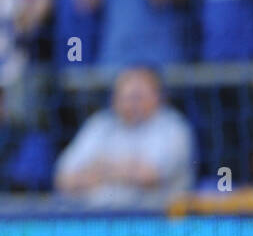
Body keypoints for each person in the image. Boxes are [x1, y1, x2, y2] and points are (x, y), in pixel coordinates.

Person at [54, 67, 196, 207]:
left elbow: (150, 176)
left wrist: (100, 169)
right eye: (124, 97)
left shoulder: (173, 126)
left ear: (157, 97)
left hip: (157, 221)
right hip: (96, 220)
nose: (130, 104)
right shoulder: (99, 124)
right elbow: (64, 179)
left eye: (137, 97)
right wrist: (125, 170)